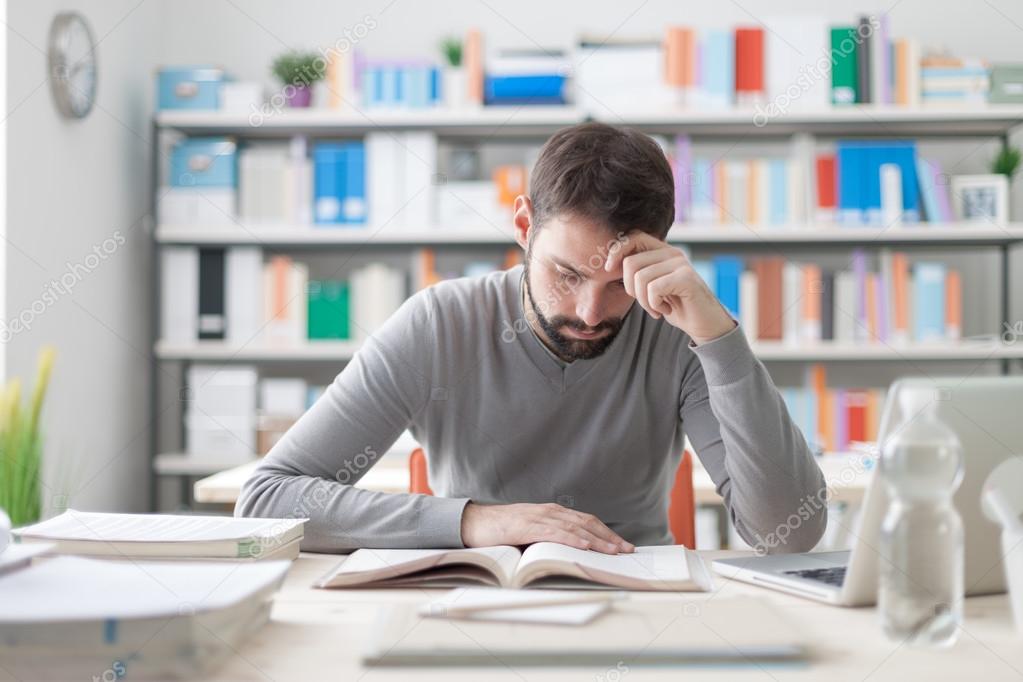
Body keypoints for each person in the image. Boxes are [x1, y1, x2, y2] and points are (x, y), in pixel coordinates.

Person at [236, 122, 827, 555]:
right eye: (566, 274)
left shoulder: (680, 331)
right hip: (474, 594)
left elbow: (789, 535)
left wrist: (719, 339)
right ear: (523, 226)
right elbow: (266, 500)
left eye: (617, 284)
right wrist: (475, 522)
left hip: (640, 602)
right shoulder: (439, 323)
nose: (589, 313)